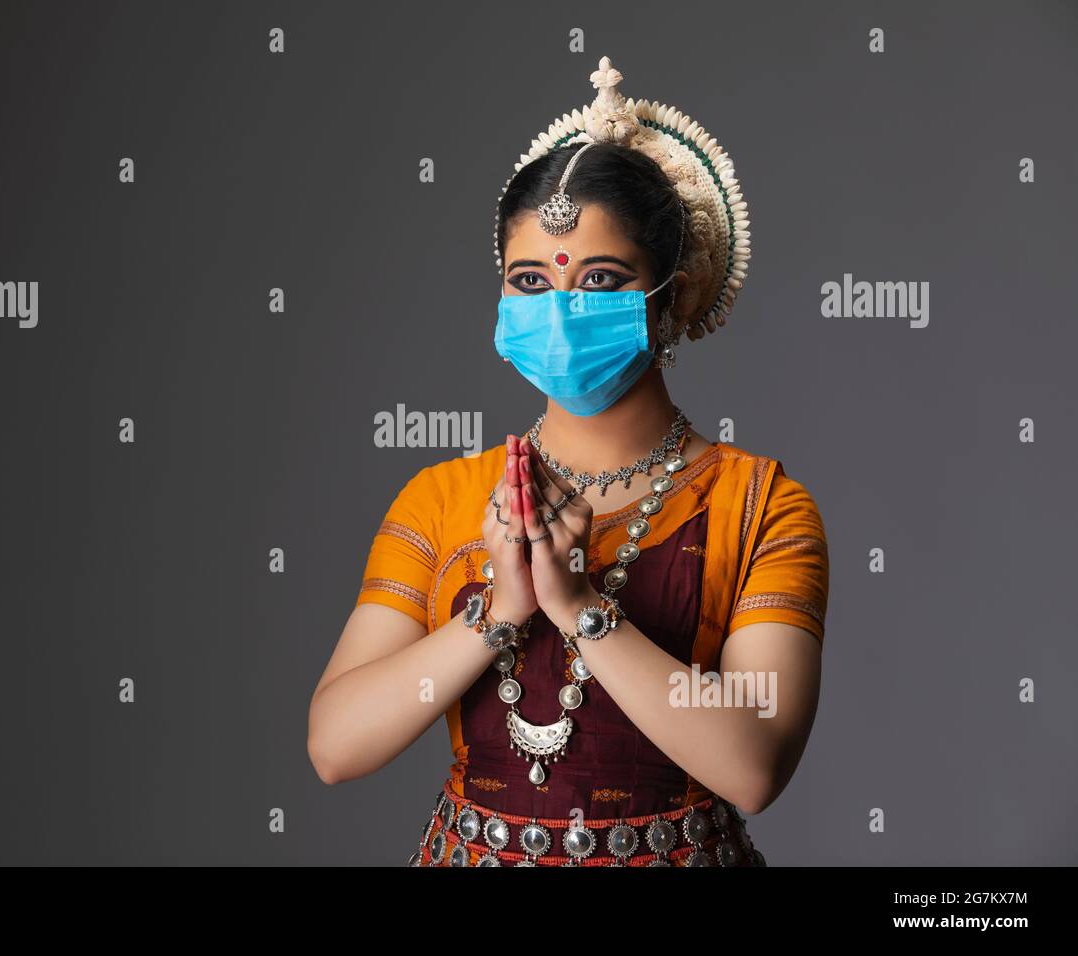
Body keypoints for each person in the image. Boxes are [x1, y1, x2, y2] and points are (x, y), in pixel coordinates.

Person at [308, 56, 828, 867]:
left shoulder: (759, 504)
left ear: (674, 295)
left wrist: (579, 605)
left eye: (600, 280)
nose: (559, 313)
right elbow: (336, 747)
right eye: (530, 282)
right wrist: (499, 611)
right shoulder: (442, 498)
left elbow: (753, 767)